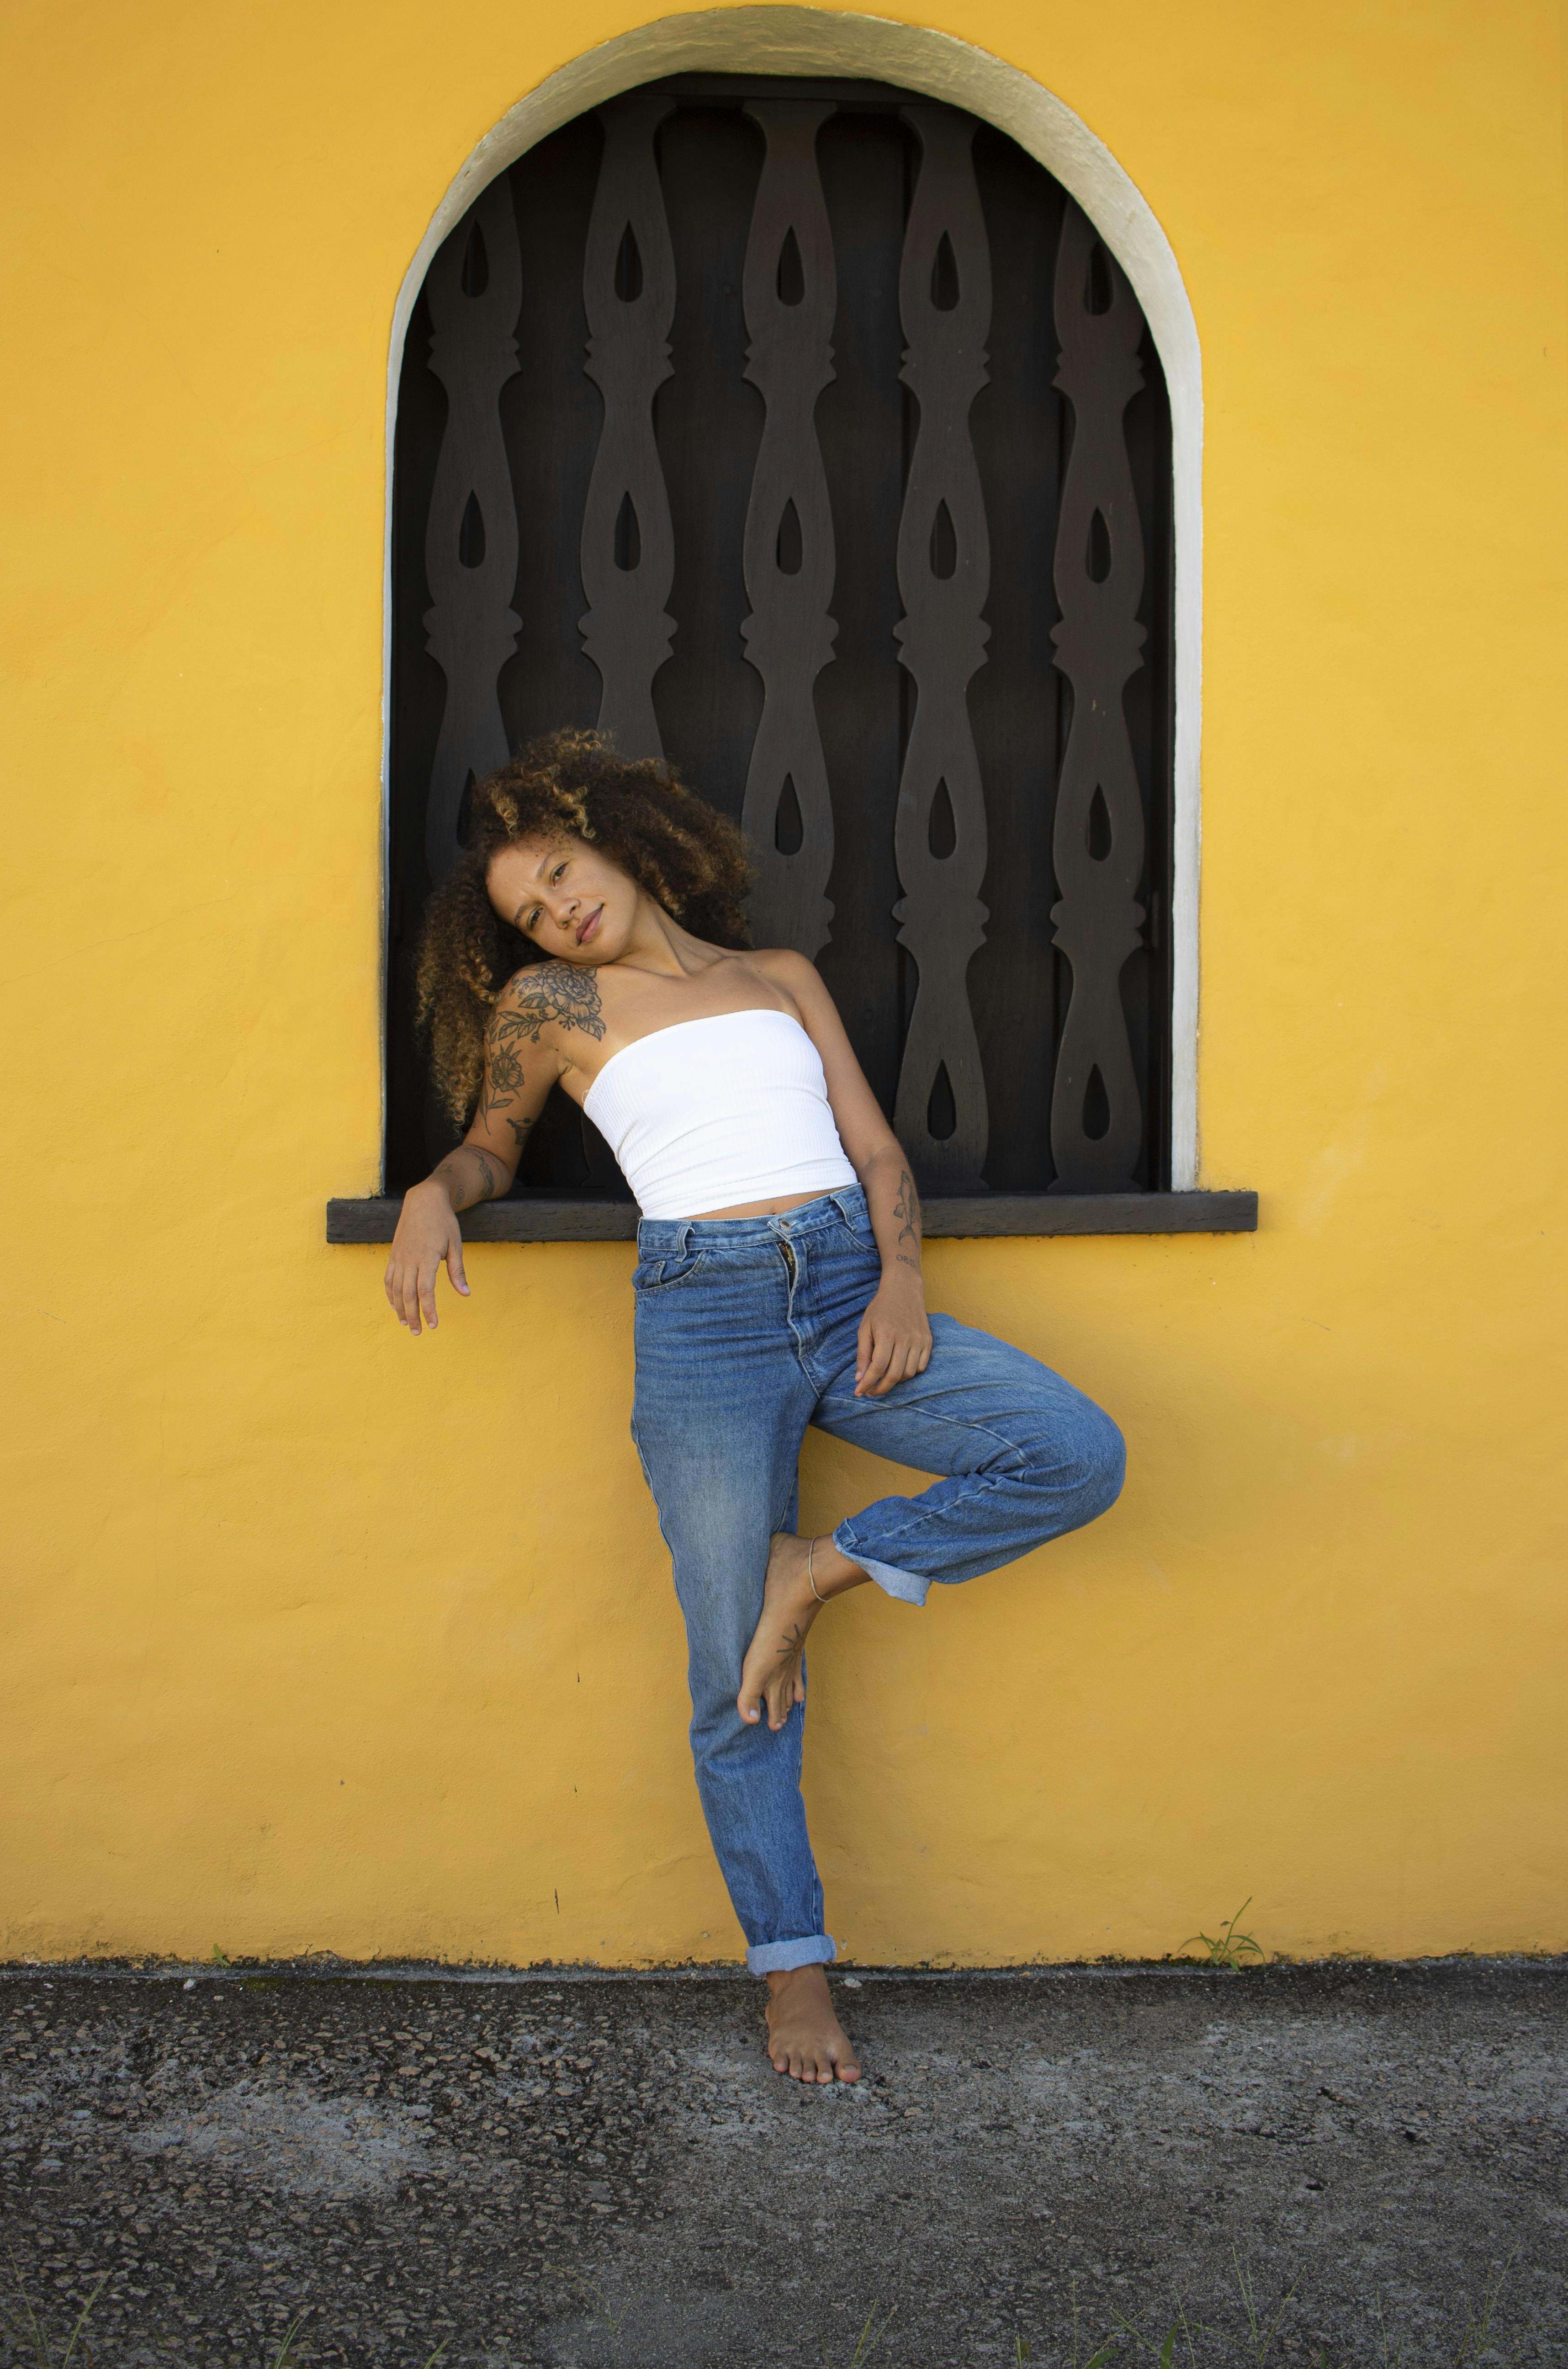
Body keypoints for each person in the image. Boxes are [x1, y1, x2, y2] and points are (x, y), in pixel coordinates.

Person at [388, 731, 1125, 2084]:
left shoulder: (777, 977)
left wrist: (901, 1279)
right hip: (707, 1323)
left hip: (852, 1286)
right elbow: (495, 1146)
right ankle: (794, 1975)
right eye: (529, 912)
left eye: (560, 873)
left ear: (614, 835)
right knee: (737, 1682)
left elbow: (876, 1143)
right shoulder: (551, 1008)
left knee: (1075, 1454)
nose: (559, 911)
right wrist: (438, 1193)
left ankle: (824, 1569)